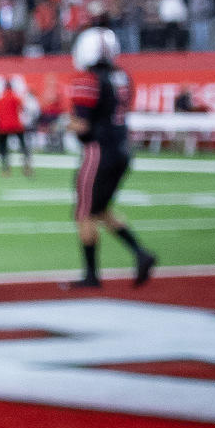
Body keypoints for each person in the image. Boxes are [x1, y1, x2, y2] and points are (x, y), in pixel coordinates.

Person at [66, 27, 156, 288]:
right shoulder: (123, 77)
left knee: (84, 212)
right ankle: (141, 253)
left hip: (98, 151)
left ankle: (91, 275)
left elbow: (82, 125)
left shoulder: (88, 79)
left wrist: (66, 125)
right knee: (100, 209)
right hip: (122, 149)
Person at [0, 75, 33, 177]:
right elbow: (22, 109)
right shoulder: (16, 98)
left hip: (3, 127)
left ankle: (5, 170)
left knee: (3, 148)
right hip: (16, 125)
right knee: (23, 146)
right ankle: (27, 167)